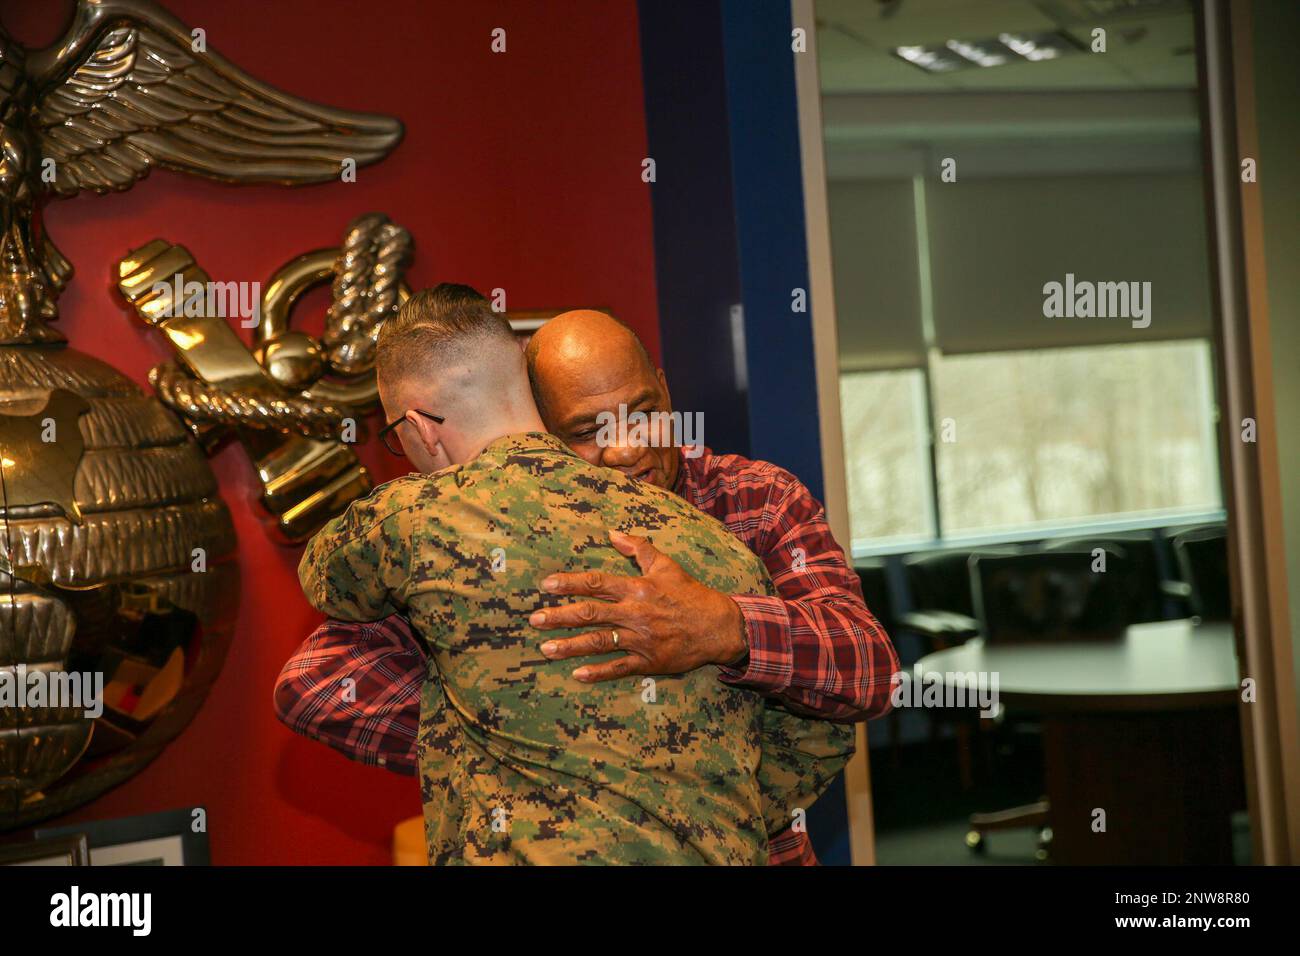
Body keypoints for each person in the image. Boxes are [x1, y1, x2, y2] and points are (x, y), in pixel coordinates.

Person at [278, 303, 899, 864]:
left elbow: (869, 671)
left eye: (645, 414)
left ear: (667, 390)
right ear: (536, 431)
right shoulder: (480, 537)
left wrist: (726, 628)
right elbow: (318, 681)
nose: (627, 449)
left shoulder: (752, 503)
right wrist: (519, 728)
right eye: (586, 431)